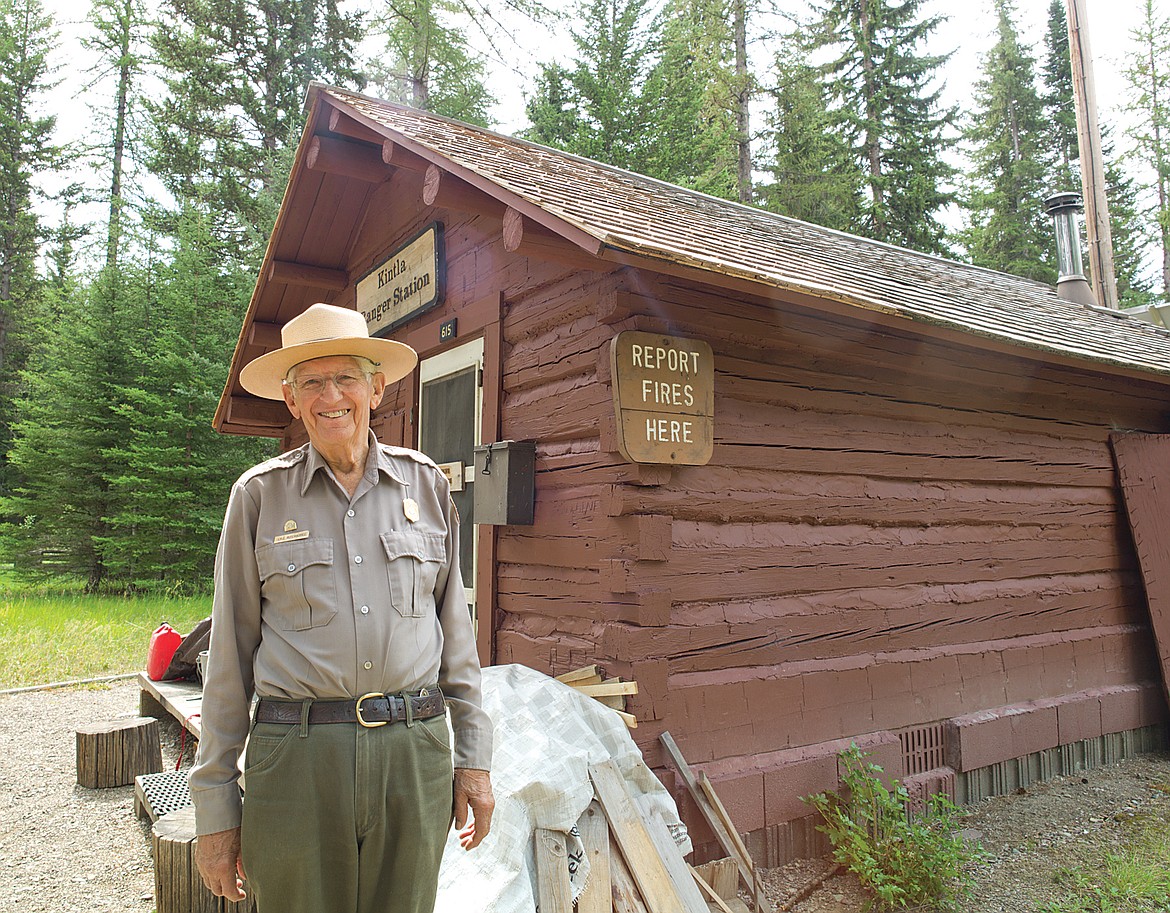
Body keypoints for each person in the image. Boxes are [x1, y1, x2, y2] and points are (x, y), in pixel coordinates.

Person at [190, 303, 494, 913]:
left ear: (375, 388)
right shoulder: (258, 498)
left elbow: (456, 641)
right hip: (297, 760)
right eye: (311, 382)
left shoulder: (427, 486)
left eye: (345, 378)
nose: (331, 396)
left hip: (414, 753)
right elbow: (228, 659)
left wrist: (475, 762)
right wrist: (215, 811)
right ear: (291, 400)